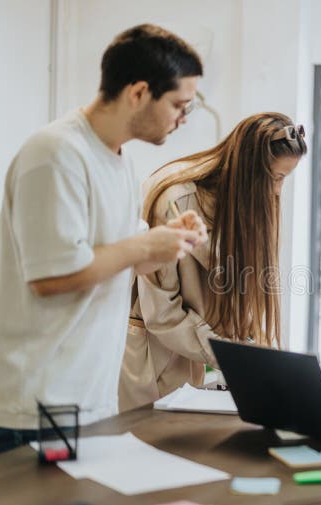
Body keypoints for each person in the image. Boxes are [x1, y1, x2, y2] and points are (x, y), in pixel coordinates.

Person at [0, 24, 208, 462]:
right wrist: (147, 246)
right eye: (177, 105)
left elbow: (117, 264)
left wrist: (169, 242)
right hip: (25, 408)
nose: (182, 118)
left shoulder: (118, 161)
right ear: (138, 93)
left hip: (83, 399)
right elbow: (54, 276)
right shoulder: (55, 154)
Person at [118, 113, 307, 411]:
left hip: (190, 356)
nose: (277, 191)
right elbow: (162, 314)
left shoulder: (248, 206)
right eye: (276, 178)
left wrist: (262, 360)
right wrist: (238, 357)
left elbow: (245, 297)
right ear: (248, 170)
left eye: (285, 179)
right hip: (148, 357)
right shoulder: (175, 200)